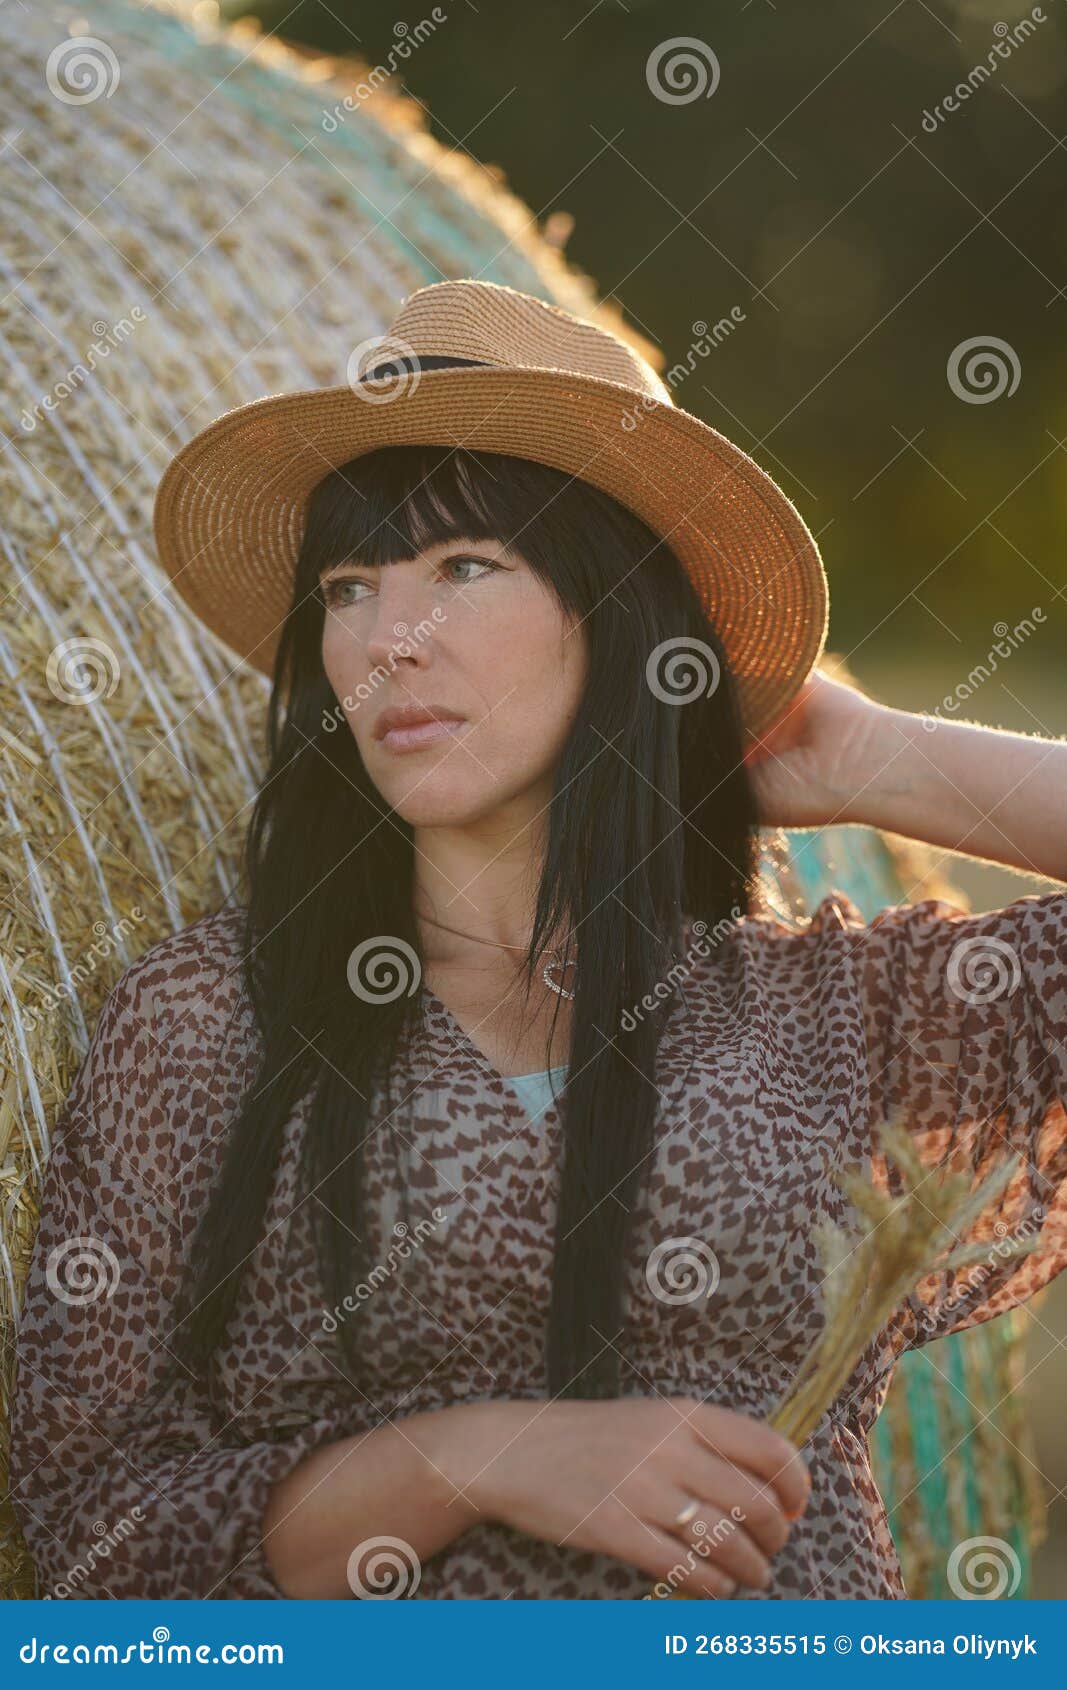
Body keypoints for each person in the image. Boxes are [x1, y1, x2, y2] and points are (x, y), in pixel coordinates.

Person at [9, 280, 1066, 1602]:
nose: (390, 641)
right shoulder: (213, 1020)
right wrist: (471, 1457)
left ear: (615, 618)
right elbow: (91, 1524)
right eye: (349, 587)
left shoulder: (829, 1014)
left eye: (462, 568)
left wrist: (881, 758)